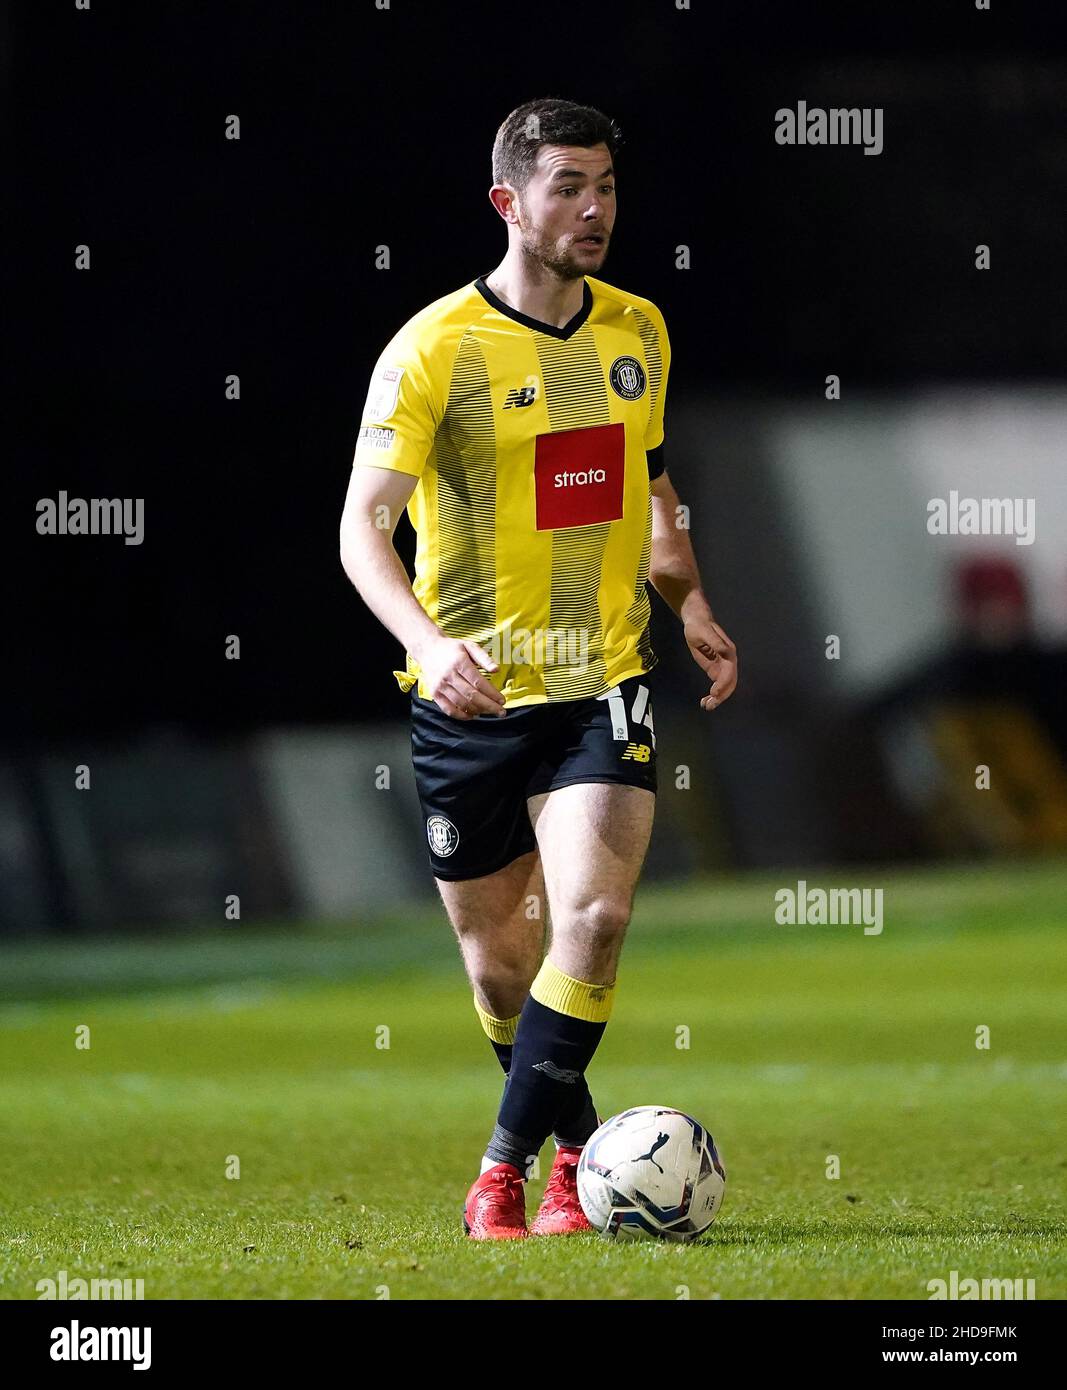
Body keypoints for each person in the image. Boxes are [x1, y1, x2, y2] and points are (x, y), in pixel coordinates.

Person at [340, 97, 737, 1239]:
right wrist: (425, 643)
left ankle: (507, 1172)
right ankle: (580, 1149)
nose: (594, 208)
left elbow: (649, 484)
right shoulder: (432, 348)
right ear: (508, 202)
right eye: (567, 185)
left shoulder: (638, 331)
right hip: (471, 698)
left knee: (596, 918)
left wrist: (692, 597)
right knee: (500, 966)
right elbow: (360, 526)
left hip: (601, 684)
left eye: (605, 185)